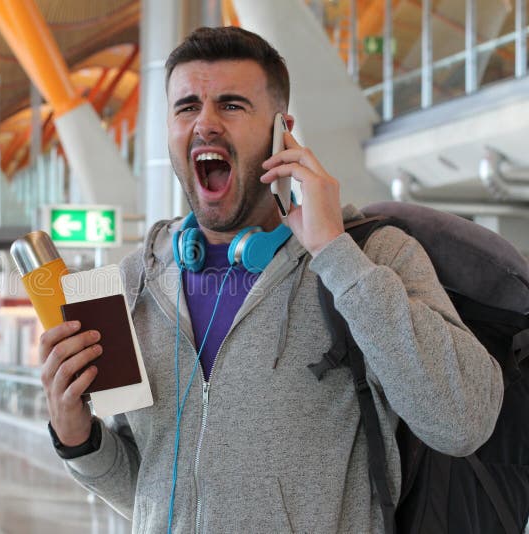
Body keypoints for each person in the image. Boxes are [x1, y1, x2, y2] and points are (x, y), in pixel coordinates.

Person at [38, 27, 504, 533]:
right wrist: (78, 439)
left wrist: (334, 253)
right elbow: (151, 488)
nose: (205, 123)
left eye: (231, 105)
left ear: (282, 131)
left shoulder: (372, 256)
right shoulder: (135, 282)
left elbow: (463, 421)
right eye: (187, 107)